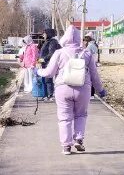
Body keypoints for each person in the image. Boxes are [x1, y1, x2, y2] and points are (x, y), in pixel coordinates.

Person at [37, 25, 106, 155]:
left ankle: (66, 147)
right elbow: (94, 75)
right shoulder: (87, 53)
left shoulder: (59, 53)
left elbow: (49, 72)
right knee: (81, 115)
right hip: (83, 89)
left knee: (64, 118)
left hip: (63, 89)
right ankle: (78, 140)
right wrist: (100, 90)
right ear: (79, 38)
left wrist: (39, 71)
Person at [39, 28, 61, 101]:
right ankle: (45, 95)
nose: (43, 35)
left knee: (48, 80)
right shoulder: (47, 41)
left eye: (44, 33)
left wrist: (43, 59)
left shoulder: (52, 42)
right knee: (44, 80)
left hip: (49, 63)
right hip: (44, 63)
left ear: (48, 34)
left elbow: (51, 53)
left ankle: (50, 95)